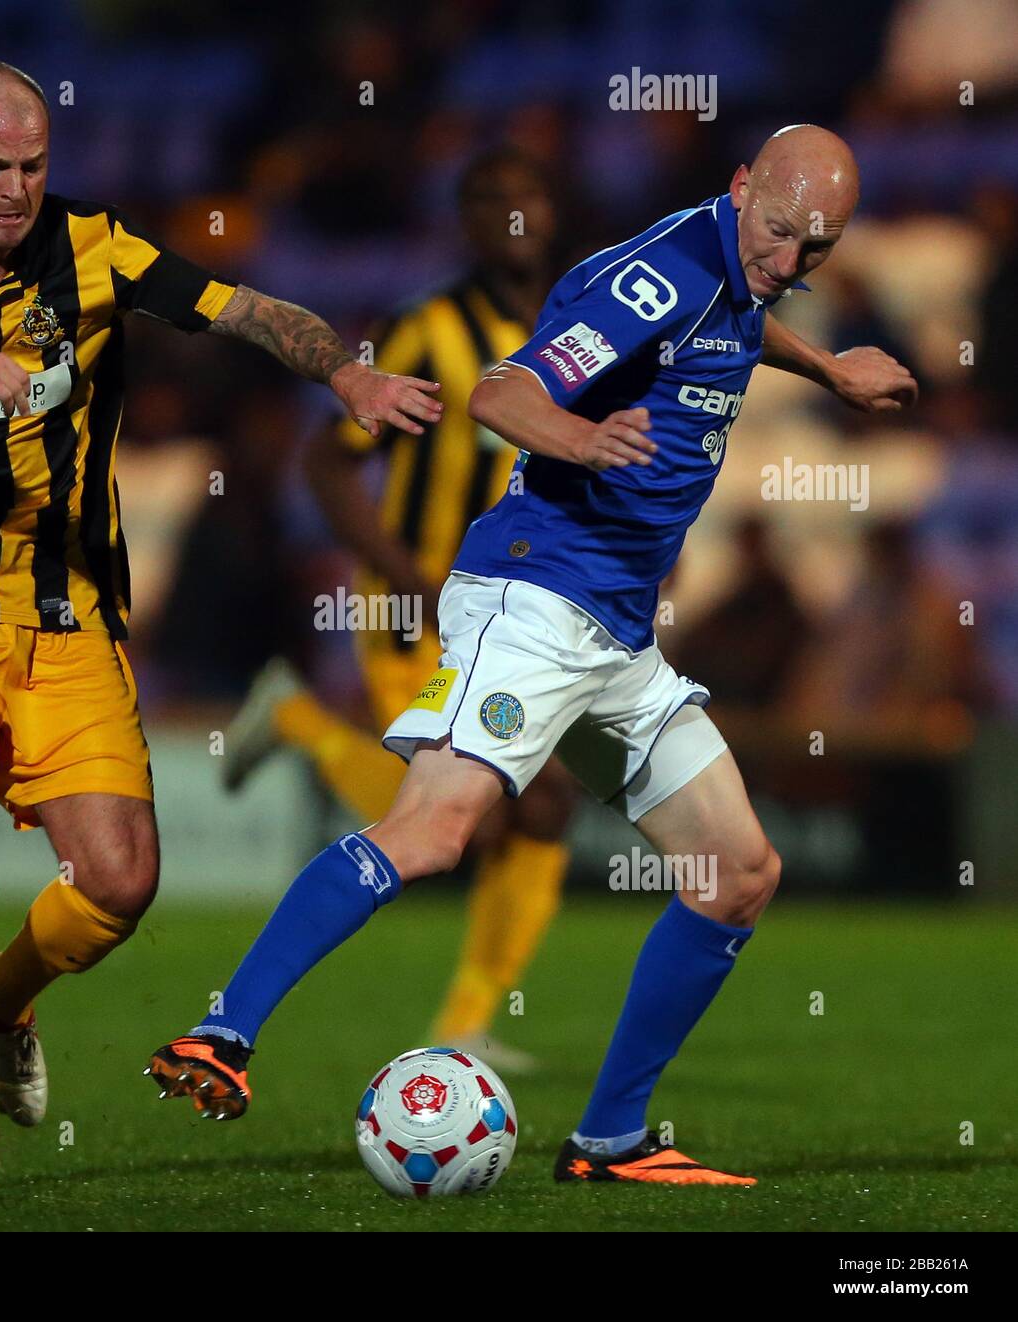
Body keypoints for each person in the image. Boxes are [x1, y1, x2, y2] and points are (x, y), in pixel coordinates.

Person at [149, 125, 918, 1187]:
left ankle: (609, 1142)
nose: (785, 265)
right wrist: (578, 439)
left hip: (617, 633)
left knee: (737, 871)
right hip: (535, 597)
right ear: (740, 186)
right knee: (431, 831)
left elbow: (739, 323)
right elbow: (502, 393)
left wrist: (826, 367)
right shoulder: (657, 279)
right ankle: (220, 1031)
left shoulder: (733, 267)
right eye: (778, 231)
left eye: (814, 249)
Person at [0, 59, 441, 1194]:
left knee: (120, 883)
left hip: (60, 612)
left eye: (34, 165)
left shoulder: (91, 247)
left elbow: (245, 310)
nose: (16, 189)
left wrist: (342, 372)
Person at [221, 147, 576, 1072]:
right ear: (463, 222)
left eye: (526, 190)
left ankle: (464, 1022)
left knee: (542, 809)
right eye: (490, 196)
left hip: (528, 612)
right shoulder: (426, 330)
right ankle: (299, 720)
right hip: (421, 610)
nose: (512, 211)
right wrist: (404, 568)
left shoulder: (584, 326)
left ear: (553, 205)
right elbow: (329, 460)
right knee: (479, 814)